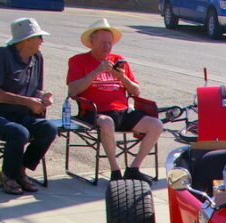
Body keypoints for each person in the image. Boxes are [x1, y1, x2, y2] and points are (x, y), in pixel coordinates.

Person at [66, 18, 163, 182]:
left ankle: (134, 168)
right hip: (94, 112)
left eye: (110, 43)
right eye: (103, 42)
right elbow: (73, 91)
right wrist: (95, 72)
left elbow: (136, 90)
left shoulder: (118, 59)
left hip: (122, 111)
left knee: (156, 125)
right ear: (92, 42)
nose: (107, 47)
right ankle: (115, 170)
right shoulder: (78, 61)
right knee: (106, 122)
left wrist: (123, 77)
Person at [0, 18, 58, 195]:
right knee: (19, 132)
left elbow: (36, 90)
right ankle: (7, 176)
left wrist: (43, 97)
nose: (42, 40)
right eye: (39, 37)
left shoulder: (37, 58)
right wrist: (27, 102)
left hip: (19, 115)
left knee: (49, 129)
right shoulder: (2, 55)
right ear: (26, 40)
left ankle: (20, 170)